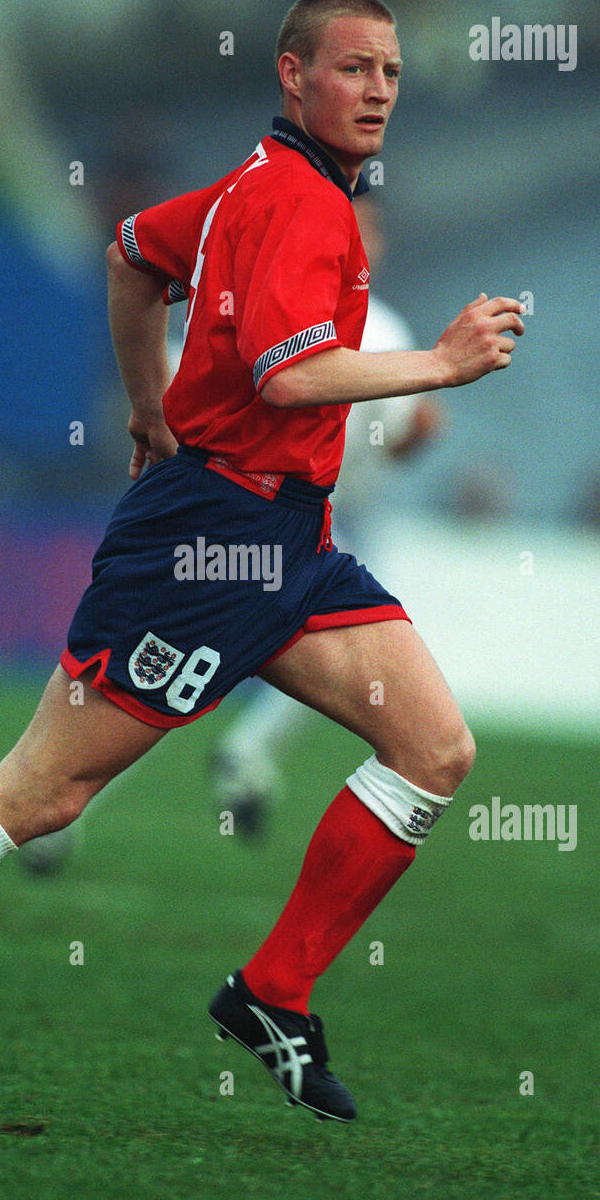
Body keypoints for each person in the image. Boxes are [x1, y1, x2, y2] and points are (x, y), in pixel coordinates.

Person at [0, 0, 524, 1122]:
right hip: (205, 544)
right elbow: (285, 375)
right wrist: (442, 365)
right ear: (292, 75)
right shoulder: (299, 204)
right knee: (41, 792)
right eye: (353, 68)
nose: (376, 92)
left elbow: (127, 257)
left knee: (433, 747)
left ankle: (274, 990)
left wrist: (146, 406)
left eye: (391, 74)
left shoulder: (253, 188)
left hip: (291, 541)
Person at [211, 193, 445, 835]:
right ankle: (244, 753)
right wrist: (423, 427)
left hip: (230, 518)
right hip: (304, 532)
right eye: (361, 226)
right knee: (359, 663)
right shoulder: (387, 334)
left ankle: (67, 802)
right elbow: (402, 440)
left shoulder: (258, 302)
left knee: (168, 672)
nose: (371, 239)